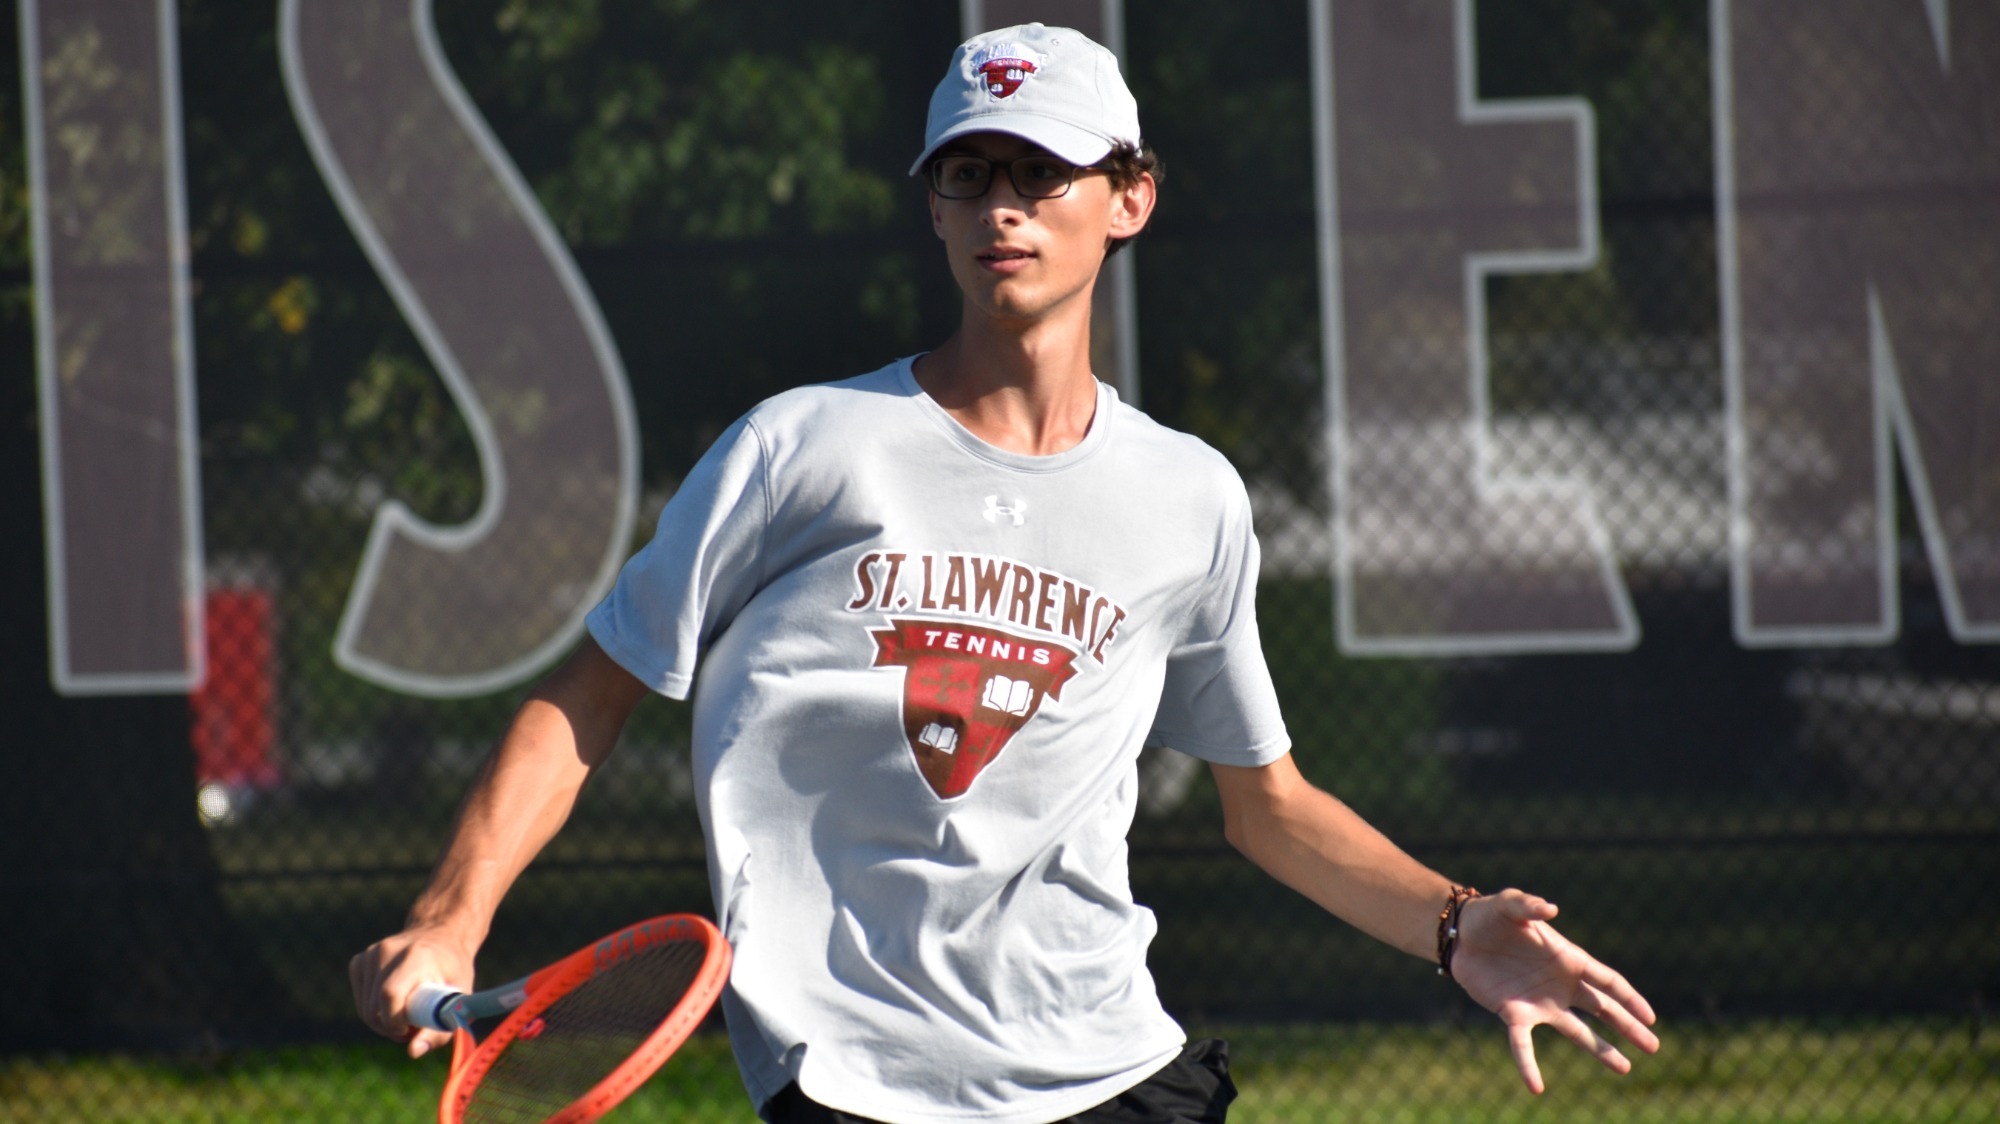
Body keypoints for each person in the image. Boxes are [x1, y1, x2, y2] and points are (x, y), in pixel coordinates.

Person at [351, 23, 1659, 1123]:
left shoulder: (1189, 497)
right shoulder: (799, 448)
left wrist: (1454, 923)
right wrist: (451, 917)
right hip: (853, 1088)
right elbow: (591, 696)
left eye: (1042, 171)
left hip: (1115, 1071)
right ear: (934, 206)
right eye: (969, 174)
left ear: (1129, 198)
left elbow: (1270, 809)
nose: (1004, 206)